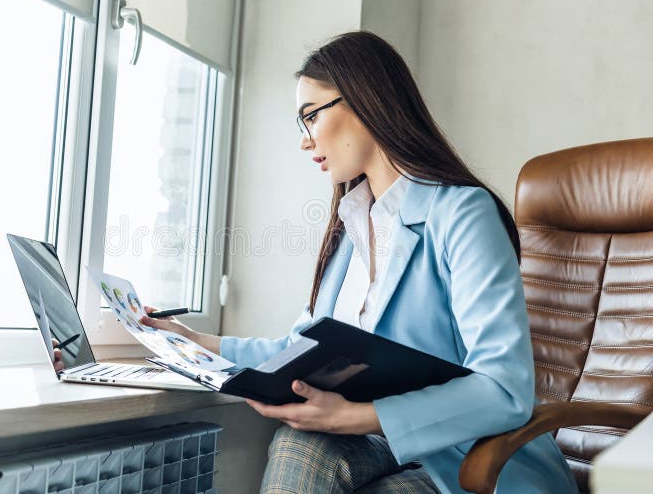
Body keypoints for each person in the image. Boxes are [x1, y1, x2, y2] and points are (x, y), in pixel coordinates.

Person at [140, 32, 578, 493]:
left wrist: (354, 416)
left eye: (310, 116)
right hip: (394, 453)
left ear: (365, 100)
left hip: (476, 466)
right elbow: (298, 350)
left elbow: (504, 390)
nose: (305, 142)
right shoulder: (352, 228)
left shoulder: (462, 214)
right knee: (301, 441)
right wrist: (192, 342)